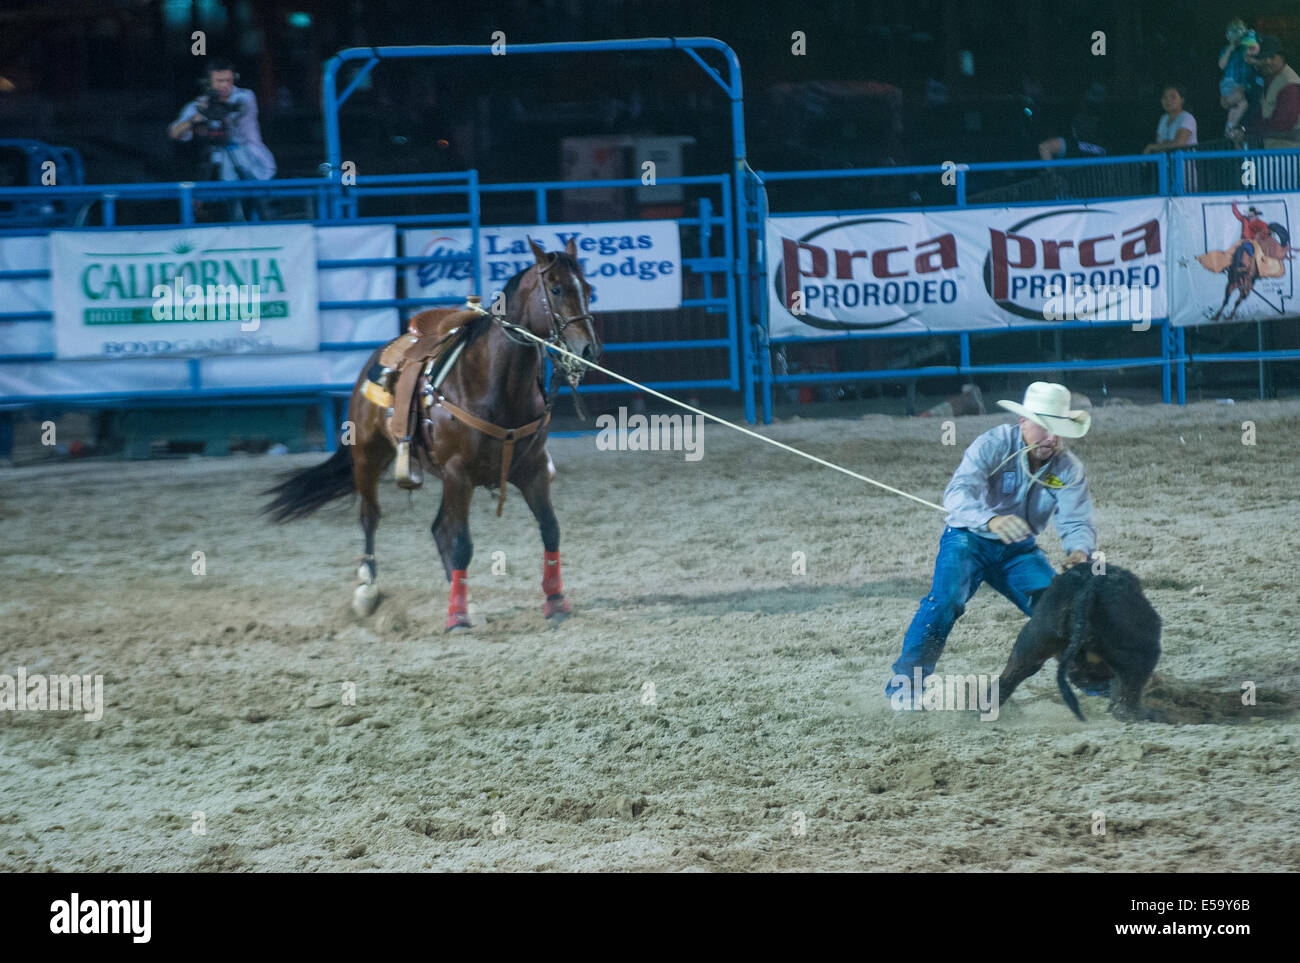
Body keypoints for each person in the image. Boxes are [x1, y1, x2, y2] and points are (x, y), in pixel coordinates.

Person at [886, 382, 1099, 705]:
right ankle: (905, 690)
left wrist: (1079, 551)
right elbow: (958, 493)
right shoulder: (993, 444)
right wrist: (990, 520)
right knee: (943, 604)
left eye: (1058, 431)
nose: (1051, 439)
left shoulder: (1067, 468)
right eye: (1044, 428)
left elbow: (1075, 519)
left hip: (1019, 550)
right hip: (968, 539)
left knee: (1058, 613)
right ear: (1023, 422)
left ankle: (1097, 684)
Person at [168, 59, 276, 186]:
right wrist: (194, 119)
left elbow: (231, 110)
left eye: (228, 80)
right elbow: (174, 133)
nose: (225, 85)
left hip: (251, 158)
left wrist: (208, 114)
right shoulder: (200, 104)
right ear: (208, 82)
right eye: (219, 81)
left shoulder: (245, 96)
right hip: (218, 161)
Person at [1243, 36, 1300, 149]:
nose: (1267, 61)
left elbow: (1282, 123)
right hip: (1275, 153)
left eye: (1272, 57)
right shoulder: (1268, 79)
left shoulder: (1289, 83)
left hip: (1290, 155)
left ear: (1282, 57)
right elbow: (1261, 114)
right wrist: (1243, 129)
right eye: (1263, 57)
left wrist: (1246, 130)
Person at [1037, 82, 1108, 160]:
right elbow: (1044, 147)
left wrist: (1051, 171)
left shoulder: (1102, 150)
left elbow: (1044, 147)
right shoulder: (1072, 145)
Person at [1219, 19, 1260, 141]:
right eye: (1234, 32)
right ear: (1228, 35)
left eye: (1240, 31)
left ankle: (1229, 127)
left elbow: (1254, 58)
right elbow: (1221, 65)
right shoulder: (1226, 50)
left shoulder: (1245, 49)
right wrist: (1231, 47)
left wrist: (1251, 38)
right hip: (1229, 83)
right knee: (1239, 99)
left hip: (1243, 84)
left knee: (1242, 105)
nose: (1237, 34)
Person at [1142, 84, 1197, 153]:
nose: (1168, 101)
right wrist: (1166, 144)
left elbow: (1179, 144)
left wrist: (1152, 146)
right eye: (1165, 97)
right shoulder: (1164, 119)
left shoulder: (1187, 118)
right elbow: (1159, 144)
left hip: (1183, 163)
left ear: (1182, 100)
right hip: (1166, 163)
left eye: (1173, 97)